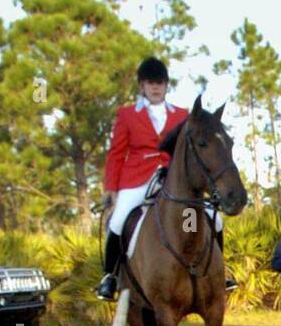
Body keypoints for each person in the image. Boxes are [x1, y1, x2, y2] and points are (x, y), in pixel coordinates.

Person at [97, 56, 235, 300]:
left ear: (166, 85)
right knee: (118, 221)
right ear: (142, 85)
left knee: (214, 217)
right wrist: (111, 188)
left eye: (160, 82)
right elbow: (117, 152)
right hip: (137, 178)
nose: (155, 87)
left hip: (172, 177)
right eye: (150, 82)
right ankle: (110, 277)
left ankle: (220, 273)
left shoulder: (182, 114)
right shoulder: (127, 115)